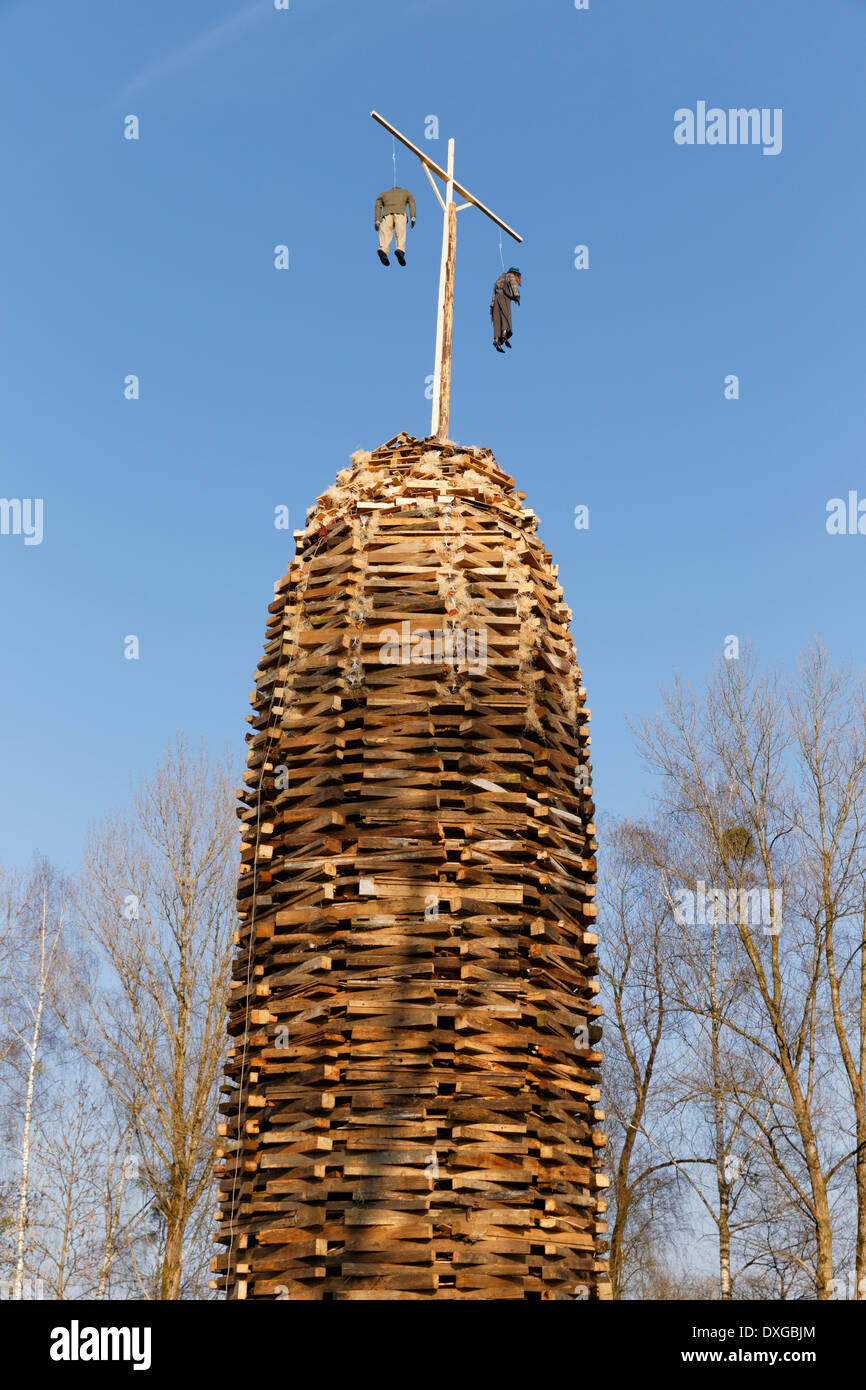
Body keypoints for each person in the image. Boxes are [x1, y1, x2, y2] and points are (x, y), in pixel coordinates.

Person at [374, 187, 416, 266]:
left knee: (385, 233)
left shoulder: (383, 194)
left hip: (387, 214)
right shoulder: (406, 192)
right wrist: (413, 217)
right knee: (400, 233)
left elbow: (378, 205)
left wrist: (377, 220)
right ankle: (400, 249)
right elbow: (412, 202)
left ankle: (383, 249)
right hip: (400, 214)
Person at [490, 266, 521, 351]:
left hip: (496, 299)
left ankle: (496, 339)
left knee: (497, 319)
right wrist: (517, 295)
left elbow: (493, 293)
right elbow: (514, 285)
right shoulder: (510, 275)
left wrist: (492, 307)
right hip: (504, 297)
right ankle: (504, 333)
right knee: (505, 315)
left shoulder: (498, 279)